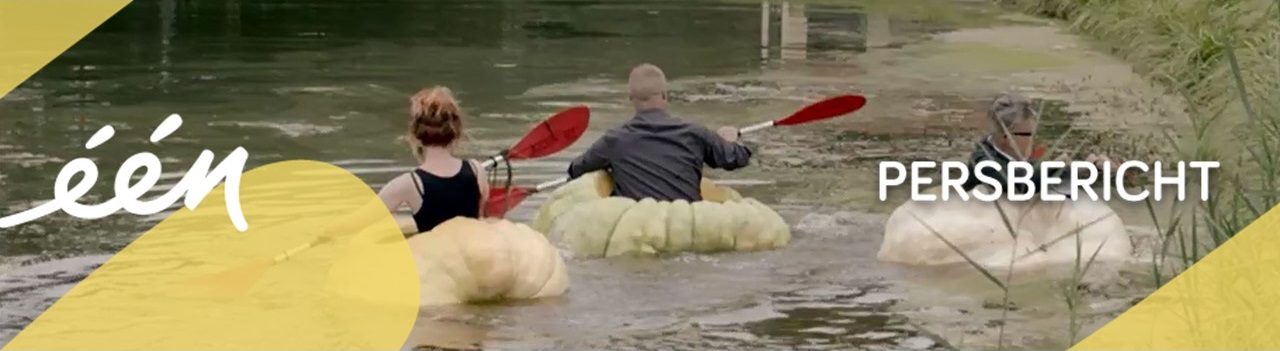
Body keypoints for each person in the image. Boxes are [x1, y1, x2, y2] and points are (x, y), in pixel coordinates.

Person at [566, 64, 752, 202]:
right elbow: (738, 158)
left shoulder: (614, 140)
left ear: (631, 98)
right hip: (687, 226)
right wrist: (728, 141)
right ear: (665, 95)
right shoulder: (694, 133)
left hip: (639, 231)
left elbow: (576, 170)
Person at [377, 87, 490, 233]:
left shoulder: (408, 184)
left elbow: (358, 224)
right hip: (473, 252)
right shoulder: (477, 171)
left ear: (414, 135)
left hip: (432, 254)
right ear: (457, 131)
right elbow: (481, 217)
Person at [961, 93, 1112, 195]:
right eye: (1029, 135)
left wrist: (1089, 169)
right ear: (1007, 137)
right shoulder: (983, 163)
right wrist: (1059, 168)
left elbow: (1028, 173)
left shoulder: (1006, 157)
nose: (1033, 140)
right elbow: (1021, 183)